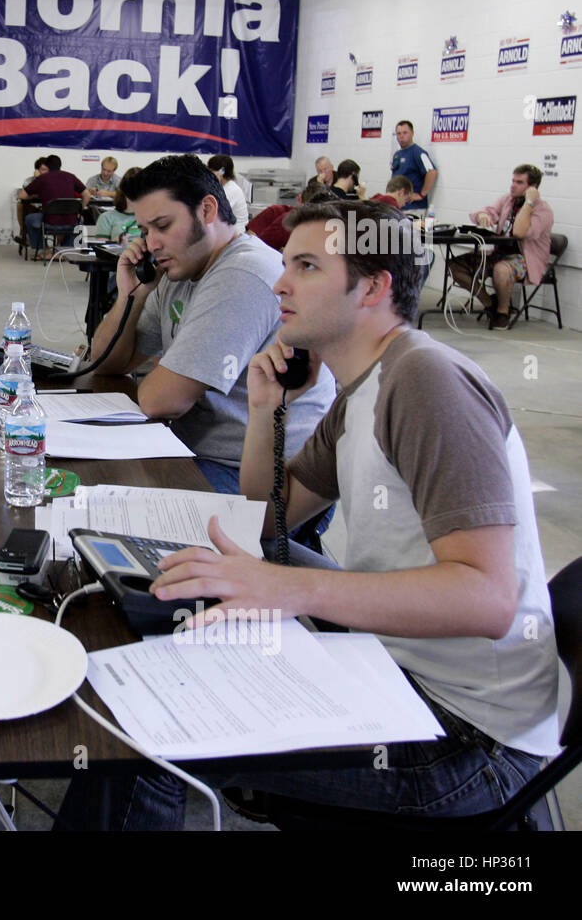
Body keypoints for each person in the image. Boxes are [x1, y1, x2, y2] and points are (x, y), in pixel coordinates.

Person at [58, 198, 558, 829]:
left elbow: (487, 599)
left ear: (372, 287)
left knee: (147, 741)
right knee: (193, 583)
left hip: (465, 737)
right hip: (397, 667)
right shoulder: (364, 388)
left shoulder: (427, 381)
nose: (280, 283)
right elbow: (269, 520)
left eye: (306, 267)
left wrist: (289, 589)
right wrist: (268, 407)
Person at [88, 155, 334, 494]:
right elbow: (104, 363)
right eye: (145, 231)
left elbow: (161, 401)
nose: (152, 243)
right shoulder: (177, 268)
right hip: (200, 450)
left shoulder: (242, 274)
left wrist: (164, 373)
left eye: (163, 226)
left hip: (258, 476)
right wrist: (132, 297)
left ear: (207, 210)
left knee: (109, 500)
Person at [449, 164, 555, 331]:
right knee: (456, 265)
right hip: (499, 254)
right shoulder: (508, 200)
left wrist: (528, 202)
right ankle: (489, 303)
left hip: (526, 260)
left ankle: (503, 312)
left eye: (519, 182)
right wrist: (483, 215)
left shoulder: (543, 210)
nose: (513, 185)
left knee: (501, 269)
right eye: (513, 180)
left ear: (532, 188)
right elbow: (485, 211)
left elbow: (519, 232)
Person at [19, 154, 85, 258]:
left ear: (48, 167)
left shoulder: (43, 178)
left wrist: (35, 194)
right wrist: (80, 209)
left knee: (29, 219)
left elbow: (22, 195)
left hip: (49, 221)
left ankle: (44, 250)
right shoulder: (71, 176)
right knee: (79, 221)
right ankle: (64, 251)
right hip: (70, 221)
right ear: (60, 165)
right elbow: (87, 194)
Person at [390, 120, 437, 211]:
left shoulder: (418, 152)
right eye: (398, 133)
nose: (401, 136)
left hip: (414, 208)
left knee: (416, 226)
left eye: (405, 133)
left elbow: (432, 172)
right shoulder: (397, 154)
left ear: (412, 133)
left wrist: (421, 194)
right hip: (398, 206)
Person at [92, 166, 141, 241]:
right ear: (123, 188)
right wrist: (114, 243)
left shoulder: (152, 218)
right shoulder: (106, 218)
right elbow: (101, 249)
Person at [207, 154, 249, 231]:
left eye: (211, 171)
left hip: (235, 232)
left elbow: (215, 211)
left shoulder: (232, 189)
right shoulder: (220, 187)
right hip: (224, 229)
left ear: (221, 172)